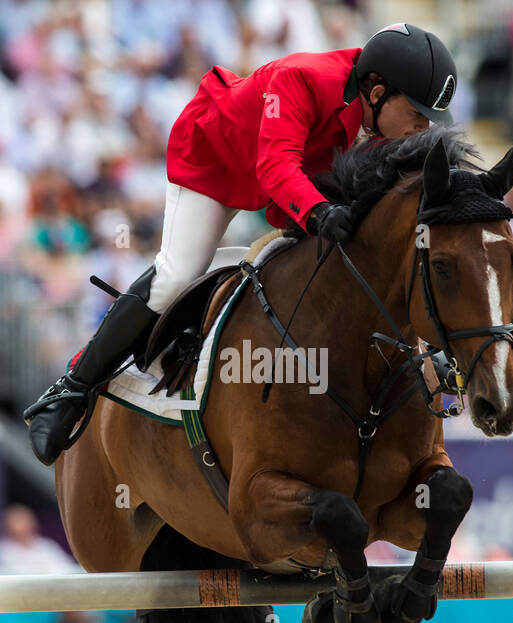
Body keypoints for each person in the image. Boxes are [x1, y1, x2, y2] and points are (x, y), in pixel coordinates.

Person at [24, 23, 458, 464]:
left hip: (280, 189)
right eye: (419, 114)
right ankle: (72, 390)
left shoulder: (376, 120)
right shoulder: (302, 78)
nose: (422, 127)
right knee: (178, 274)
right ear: (379, 91)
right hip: (214, 163)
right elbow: (275, 166)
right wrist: (321, 211)